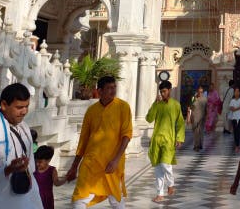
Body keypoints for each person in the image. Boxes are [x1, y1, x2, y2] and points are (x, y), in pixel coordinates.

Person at [66, 75, 132, 209]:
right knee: (79, 199)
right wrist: (74, 166)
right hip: (91, 162)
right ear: (99, 91)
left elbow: (127, 134)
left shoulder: (123, 107)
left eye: (114, 87)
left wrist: (116, 160)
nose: (113, 91)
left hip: (111, 163)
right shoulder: (91, 110)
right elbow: (83, 140)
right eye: (109, 88)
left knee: (116, 200)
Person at [145, 80, 186, 204]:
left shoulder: (176, 105)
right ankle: (159, 194)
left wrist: (179, 138)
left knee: (165, 165)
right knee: (158, 168)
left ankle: (171, 184)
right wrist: (154, 104)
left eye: (164, 91)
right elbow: (149, 118)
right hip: (156, 140)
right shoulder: (158, 104)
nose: (162, 94)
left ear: (170, 90)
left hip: (169, 140)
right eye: (161, 91)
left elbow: (180, 123)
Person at [187, 84, 207, 151]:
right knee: (195, 132)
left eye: (201, 92)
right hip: (194, 117)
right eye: (199, 92)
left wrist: (207, 117)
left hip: (202, 118)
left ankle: (199, 145)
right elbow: (189, 108)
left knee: (200, 131)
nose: (200, 93)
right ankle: (196, 145)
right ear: (197, 91)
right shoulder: (193, 98)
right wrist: (188, 117)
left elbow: (207, 109)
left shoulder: (205, 99)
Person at [228, 87, 240, 153]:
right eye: (236, 91)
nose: (237, 93)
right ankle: (237, 145)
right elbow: (232, 109)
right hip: (234, 118)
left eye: (238, 91)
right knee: (236, 132)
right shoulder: (232, 101)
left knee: (239, 132)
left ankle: (238, 144)